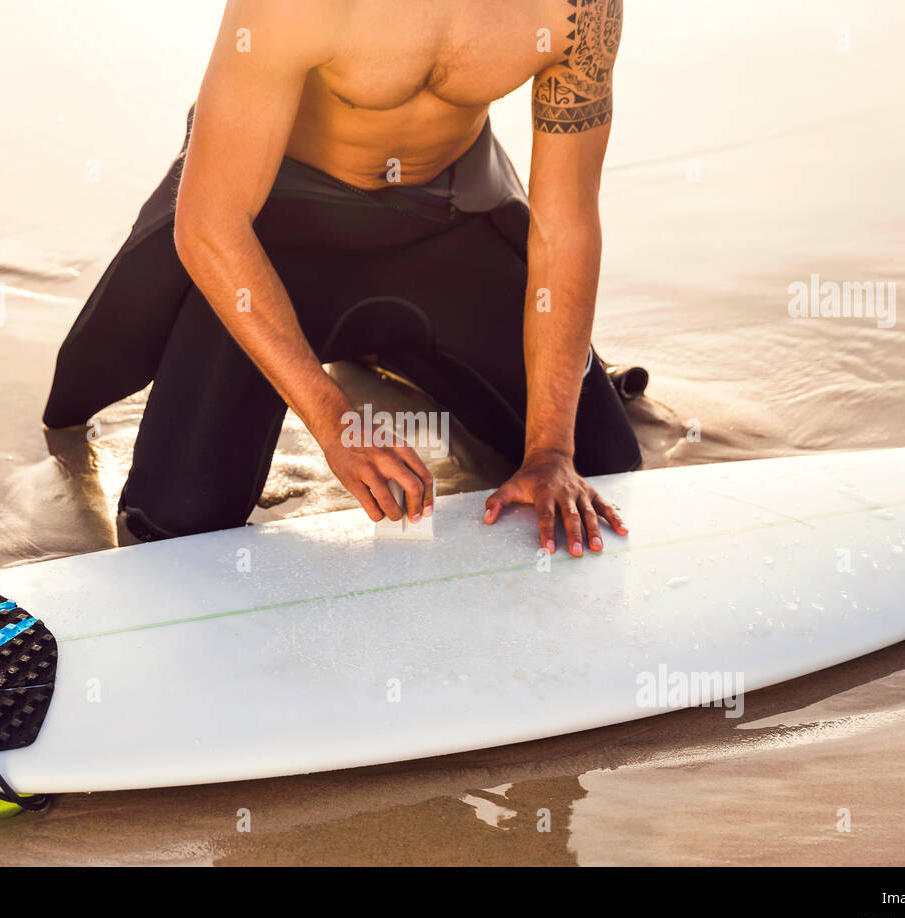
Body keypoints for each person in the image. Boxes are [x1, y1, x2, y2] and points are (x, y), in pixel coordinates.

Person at [43, 0, 640, 556]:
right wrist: (335, 422)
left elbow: (565, 229)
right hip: (279, 237)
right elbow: (213, 223)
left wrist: (551, 451)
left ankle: (392, 355)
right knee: (174, 526)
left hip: (446, 231)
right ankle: (358, 363)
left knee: (602, 463)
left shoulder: (580, 8)